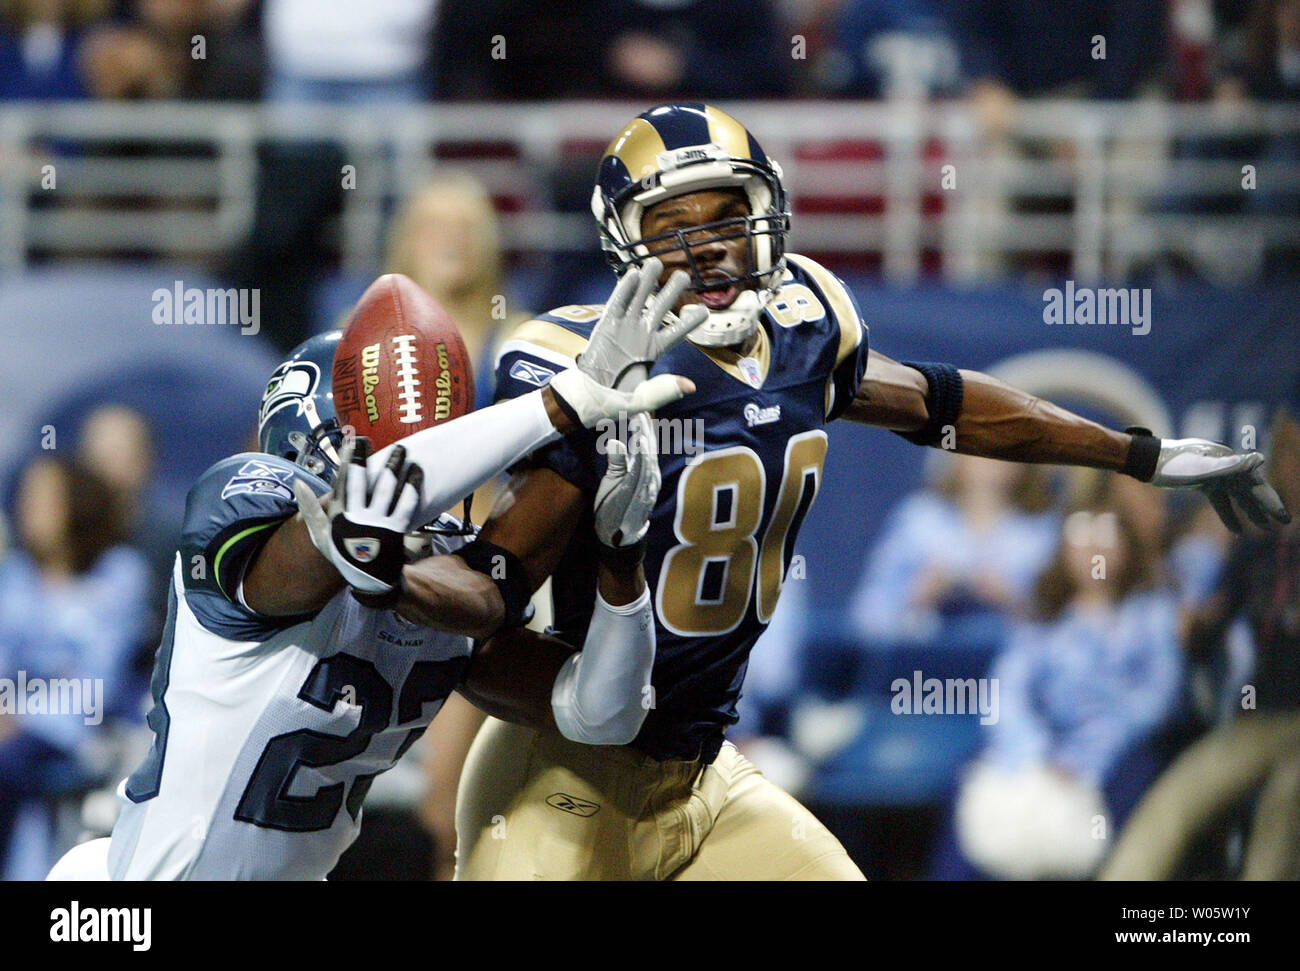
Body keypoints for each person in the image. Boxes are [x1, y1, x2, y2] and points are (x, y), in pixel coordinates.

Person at [436, 102, 1286, 881]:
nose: (710, 248)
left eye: (727, 216)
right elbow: (484, 620)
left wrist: (1135, 452)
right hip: (562, 774)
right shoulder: (579, 371)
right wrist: (576, 698)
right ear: (627, 243)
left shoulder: (805, 323)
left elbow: (940, 404)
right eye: (674, 226)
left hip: (701, 771)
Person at [47, 273, 706, 880]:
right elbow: (351, 523)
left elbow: (605, 714)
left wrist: (623, 562)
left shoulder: (436, 580)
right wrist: (559, 405)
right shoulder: (247, 506)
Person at [1101, 398, 1300, 880]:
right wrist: (1196, 627)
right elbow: (1208, 634)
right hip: (1261, 718)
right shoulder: (1259, 546)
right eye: (1287, 449)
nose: (1291, 464)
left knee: (1284, 808)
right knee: (1173, 805)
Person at [953, 501, 1184, 880]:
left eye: (1106, 538)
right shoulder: (1044, 621)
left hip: (1119, 758)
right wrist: (1036, 755)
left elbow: (1160, 698)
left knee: (1133, 786)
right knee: (976, 789)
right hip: (1044, 756)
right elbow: (1006, 691)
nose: (1094, 551)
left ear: (1127, 547)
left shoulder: (1151, 616)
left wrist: (1090, 753)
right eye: (1081, 539)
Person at [0, 456, 150, 877]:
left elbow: (99, 683)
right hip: (13, 733)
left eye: (43, 498)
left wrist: (22, 718)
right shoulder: (14, 576)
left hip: (81, 736)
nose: (27, 508)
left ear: (77, 503)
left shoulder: (120, 573)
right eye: (25, 497)